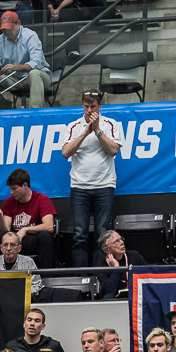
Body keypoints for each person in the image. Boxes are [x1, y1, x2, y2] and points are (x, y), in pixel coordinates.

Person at [61, 90, 122, 269]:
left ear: (100, 105)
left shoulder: (111, 124)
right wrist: (85, 132)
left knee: (102, 235)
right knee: (79, 234)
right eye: (86, 106)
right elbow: (66, 152)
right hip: (79, 187)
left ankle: (100, 275)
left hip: (104, 186)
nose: (89, 110)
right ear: (82, 106)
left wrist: (97, 131)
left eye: (93, 106)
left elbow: (113, 150)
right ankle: (81, 276)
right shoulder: (73, 126)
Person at [0, 11, 49, 107]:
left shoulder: (30, 36)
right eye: (4, 29)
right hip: (13, 79)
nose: (6, 32)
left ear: (18, 23)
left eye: (9, 28)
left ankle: (35, 112)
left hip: (38, 77)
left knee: (34, 73)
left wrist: (16, 67)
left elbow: (37, 62)